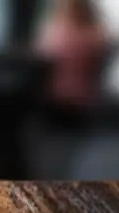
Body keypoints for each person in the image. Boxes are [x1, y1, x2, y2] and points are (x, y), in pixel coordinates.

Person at [39, 0, 109, 128]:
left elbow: (41, 58)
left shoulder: (55, 32)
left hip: (54, 102)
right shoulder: (97, 35)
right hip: (85, 105)